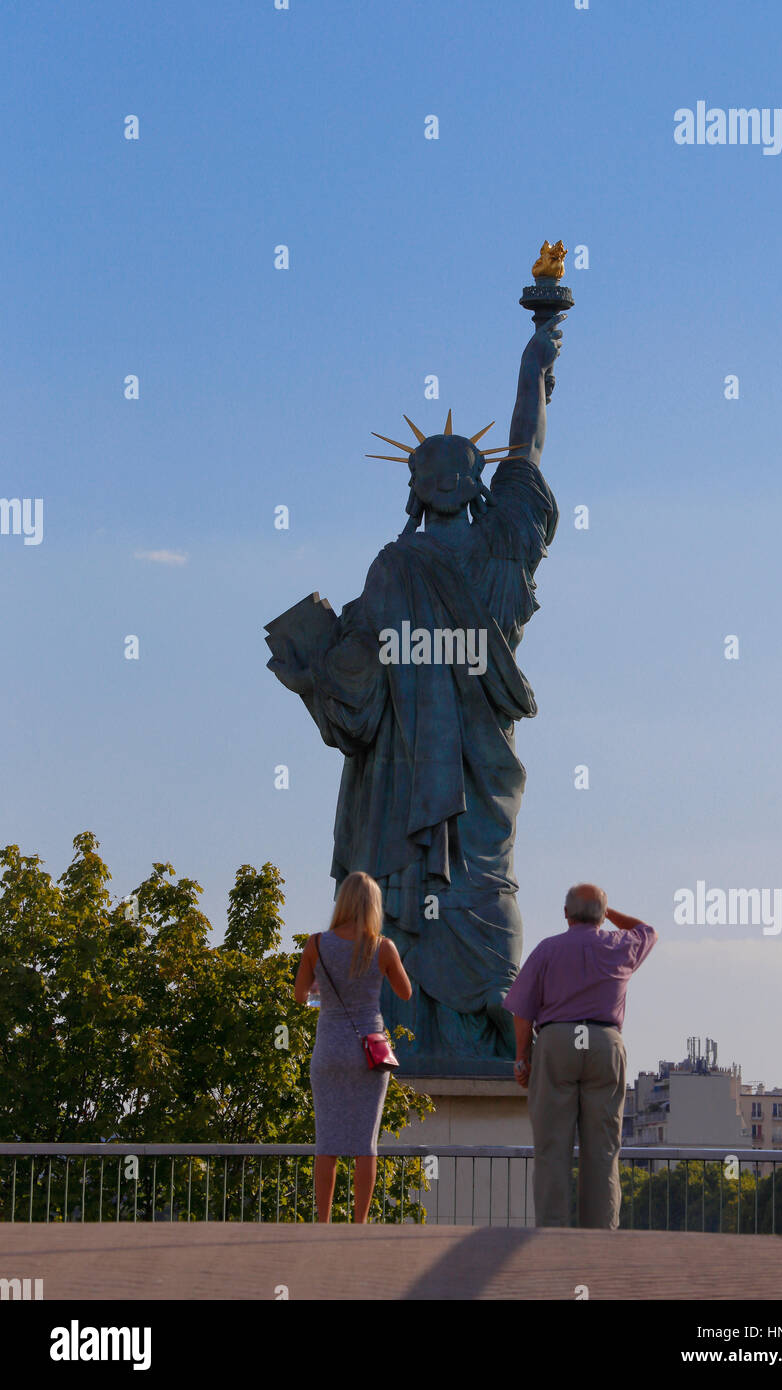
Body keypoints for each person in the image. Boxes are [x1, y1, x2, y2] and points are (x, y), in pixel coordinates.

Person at [268, 314, 566, 1071]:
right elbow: (527, 448)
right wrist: (536, 358)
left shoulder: (391, 571)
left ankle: (413, 1040)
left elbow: (353, 706)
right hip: (477, 778)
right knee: (479, 898)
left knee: (400, 895)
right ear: (478, 489)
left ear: (414, 493)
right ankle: (472, 1037)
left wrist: (312, 660)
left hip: (400, 793)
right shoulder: (503, 550)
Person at [504, 883, 657, 1228]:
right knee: (603, 1148)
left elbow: (522, 1010)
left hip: (558, 1039)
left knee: (551, 1147)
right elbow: (647, 930)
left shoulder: (547, 950)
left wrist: (521, 1057)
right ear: (603, 915)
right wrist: (607, 913)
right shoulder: (621, 944)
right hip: (604, 1042)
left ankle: (553, 1231)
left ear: (565, 914)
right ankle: (599, 1233)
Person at [293, 871, 412, 1222]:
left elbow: (300, 996)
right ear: (374, 905)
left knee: (327, 1142)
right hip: (368, 1053)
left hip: (329, 1048)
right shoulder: (383, 946)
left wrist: (320, 987)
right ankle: (359, 1224)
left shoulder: (316, 944)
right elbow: (405, 992)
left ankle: (324, 1221)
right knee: (365, 1144)